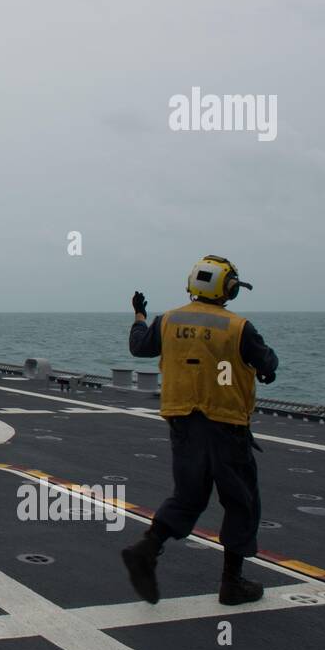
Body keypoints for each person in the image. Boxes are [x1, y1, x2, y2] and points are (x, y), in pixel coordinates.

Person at [121, 255, 279, 606]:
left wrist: (139, 314)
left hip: (183, 424)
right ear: (229, 289)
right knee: (240, 502)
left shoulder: (169, 321)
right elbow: (267, 362)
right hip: (227, 427)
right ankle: (231, 582)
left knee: (188, 496)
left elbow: (138, 346)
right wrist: (267, 369)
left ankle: (146, 548)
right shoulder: (238, 328)